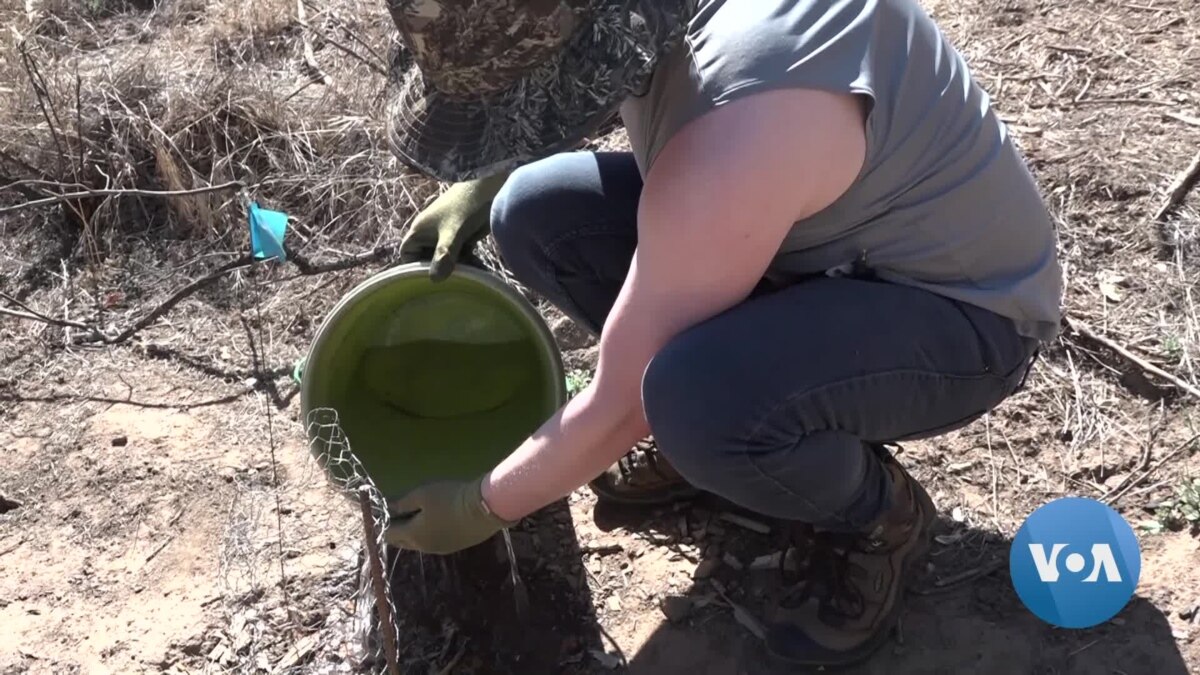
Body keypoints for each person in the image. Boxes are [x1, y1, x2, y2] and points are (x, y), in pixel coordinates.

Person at [380, 0, 1063, 667]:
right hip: (814, 238)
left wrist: (479, 505)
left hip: (961, 312)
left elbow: (623, 401)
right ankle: (734, 442)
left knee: (691, 398)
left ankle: (878, 514)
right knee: (534, 212)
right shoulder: (657, 27)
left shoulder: (741, 117)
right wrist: (493, 174)